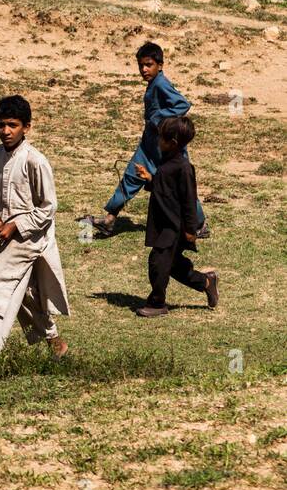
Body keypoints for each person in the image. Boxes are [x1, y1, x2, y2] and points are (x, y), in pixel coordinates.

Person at [0, 95, 69, 356]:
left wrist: (16, 226)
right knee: (25, 294)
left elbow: (48, 207)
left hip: (30, 240)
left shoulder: (35, 160)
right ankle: (55, 342)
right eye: (1, 125)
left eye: (12, 125)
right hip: (4, 238)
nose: (5, 131)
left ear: (27, 127)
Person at [86, 41, 207, 237]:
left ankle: (199, 224)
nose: (144, 69)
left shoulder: (161, 83)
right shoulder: (153, 84)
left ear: (160, 65)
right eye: (141, 65)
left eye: (148, 65)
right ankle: (110, 219)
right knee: (131, 175)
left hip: (166, 145)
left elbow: (182, 104)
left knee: (179, 184)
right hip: (149, 144)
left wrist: (158, 117)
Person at [136, 115, 219, 317]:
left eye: (161, 138)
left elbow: (189, 200)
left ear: (172, 143)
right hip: (165, 222)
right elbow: (165, 189)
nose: (158, 141)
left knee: (158, 262)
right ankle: (206, 282)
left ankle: (157, 303)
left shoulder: (183, 168)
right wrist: (150, 179)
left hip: (175, 225)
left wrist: (191, 230)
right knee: (172, 265)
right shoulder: (167, 164)